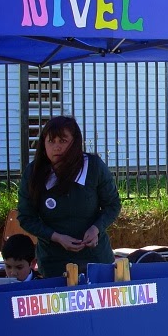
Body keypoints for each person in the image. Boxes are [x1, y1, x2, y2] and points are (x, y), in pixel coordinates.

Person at [17, 116, 122, 278]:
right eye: (51, 141)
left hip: (96, 258)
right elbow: (26, 217)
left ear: (75, 143)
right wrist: (56, 237)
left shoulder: (94, 167)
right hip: (53, 262)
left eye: (63, 141)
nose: (56, 147)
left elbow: (113, 204)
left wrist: (96, 229)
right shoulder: (33, 173)